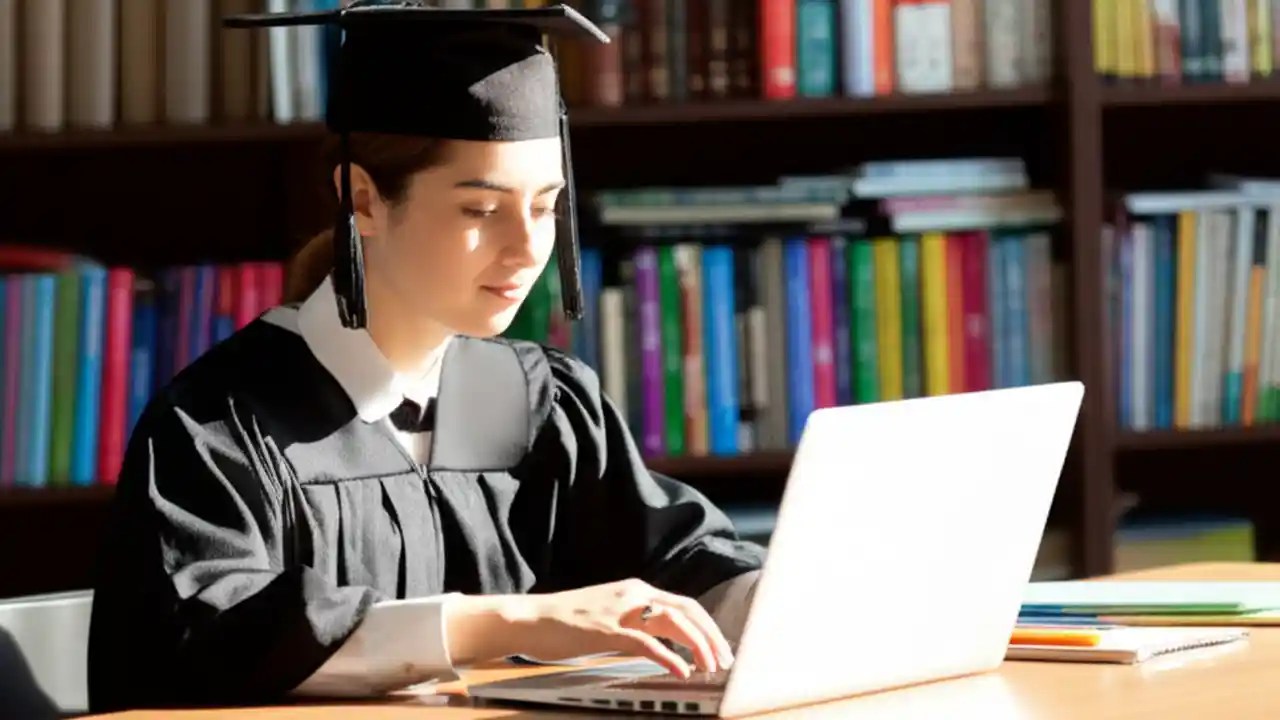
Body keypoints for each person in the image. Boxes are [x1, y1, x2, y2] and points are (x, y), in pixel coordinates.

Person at [86, 2, 765, 712]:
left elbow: (683, 557)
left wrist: (776, 603)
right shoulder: (221, 425)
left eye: (545, 205)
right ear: (364, 200)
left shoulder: (544, 403)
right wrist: (503, 622)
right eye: (481, 209)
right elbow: (210, 633)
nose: (529, 248)